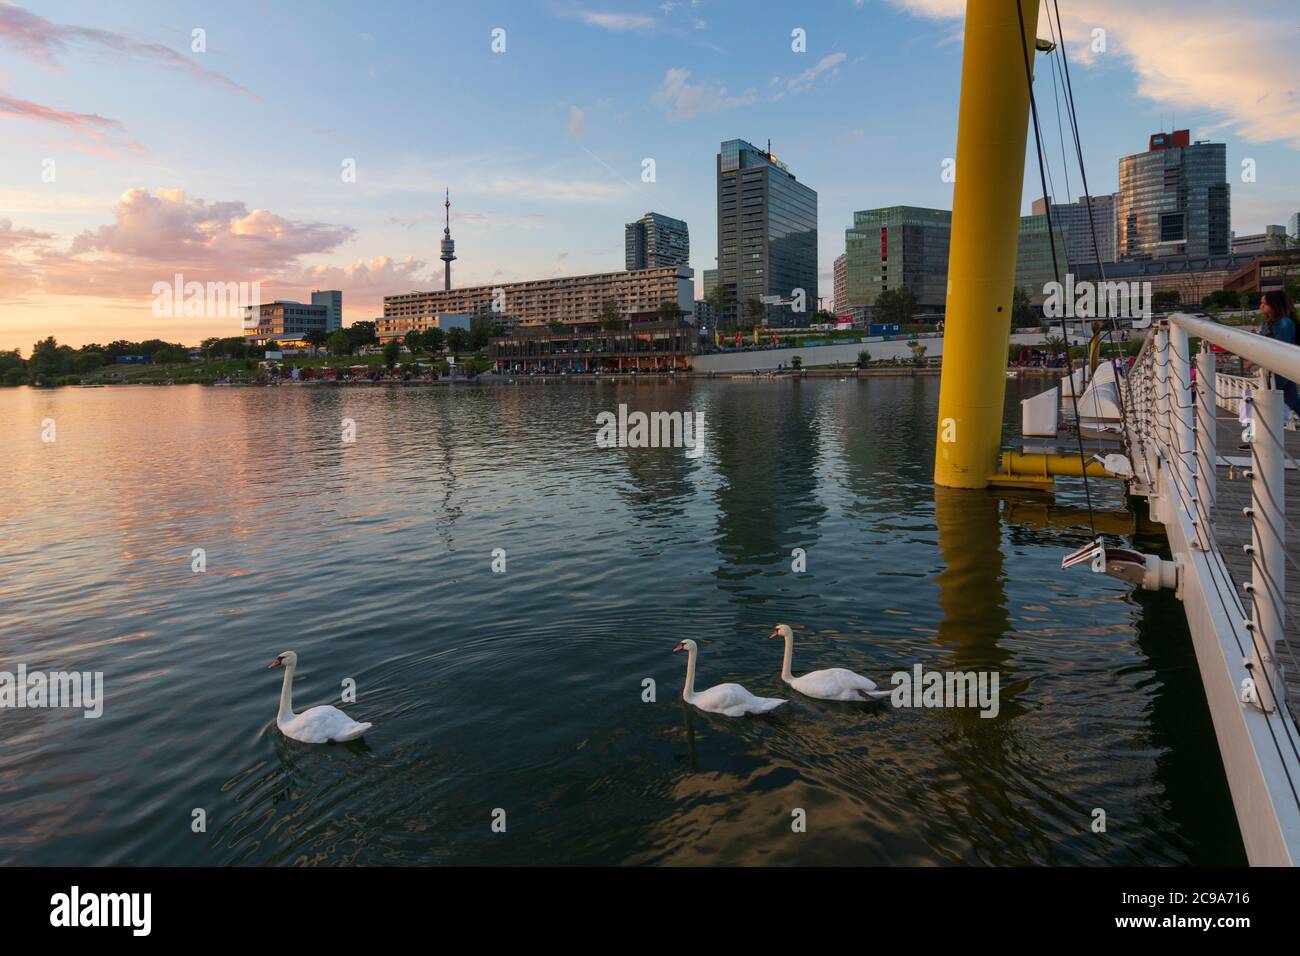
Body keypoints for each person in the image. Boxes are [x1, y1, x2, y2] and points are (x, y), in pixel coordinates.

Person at [1255, 290, 1300, 420]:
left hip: (1279, 368)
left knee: (1265, 399)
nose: (1261, 306)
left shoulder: (1283, 323)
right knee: (1293, 401)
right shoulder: (1268, 323)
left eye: (1265, 303)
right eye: (1261, 303)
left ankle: (1265, 433)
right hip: (1277, 368)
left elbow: (1282, 349)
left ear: (1274, 305)